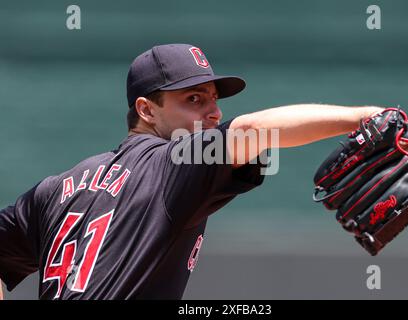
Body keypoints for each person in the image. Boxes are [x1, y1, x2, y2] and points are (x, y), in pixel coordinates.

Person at [0, 43, 383, 300]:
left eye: (214, 99)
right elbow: (251, 130)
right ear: (147, 110)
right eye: (194, 99)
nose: (213, 112)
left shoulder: (54, 190)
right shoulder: (171, 164)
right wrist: (366, 118)